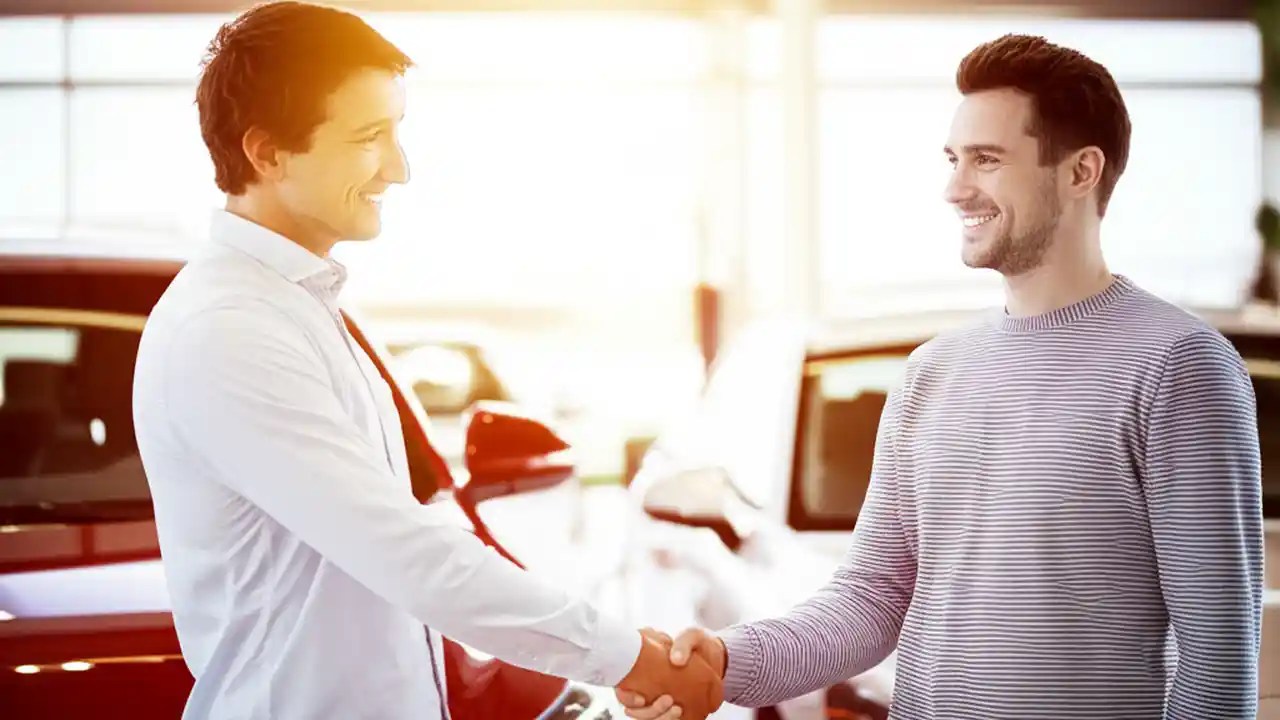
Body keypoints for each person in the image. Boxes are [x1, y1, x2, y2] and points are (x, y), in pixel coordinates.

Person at [620, 33, 1264, 720]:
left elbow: (1217, 655)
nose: (956, 189)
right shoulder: (931, 374)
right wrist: (725, 660)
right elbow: (871, 600)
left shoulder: (1179, 366)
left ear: (1081, 172)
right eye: (955, 160)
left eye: (986, 161)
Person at [130, 2, 721, 718]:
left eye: (396, 132)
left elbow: (403, 550)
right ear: (268, 152)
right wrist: (629, 656)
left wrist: (616, 654)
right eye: (369, 137)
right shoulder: (229, 329)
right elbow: (406, 553)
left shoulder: (299, 306)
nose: (399, 169)